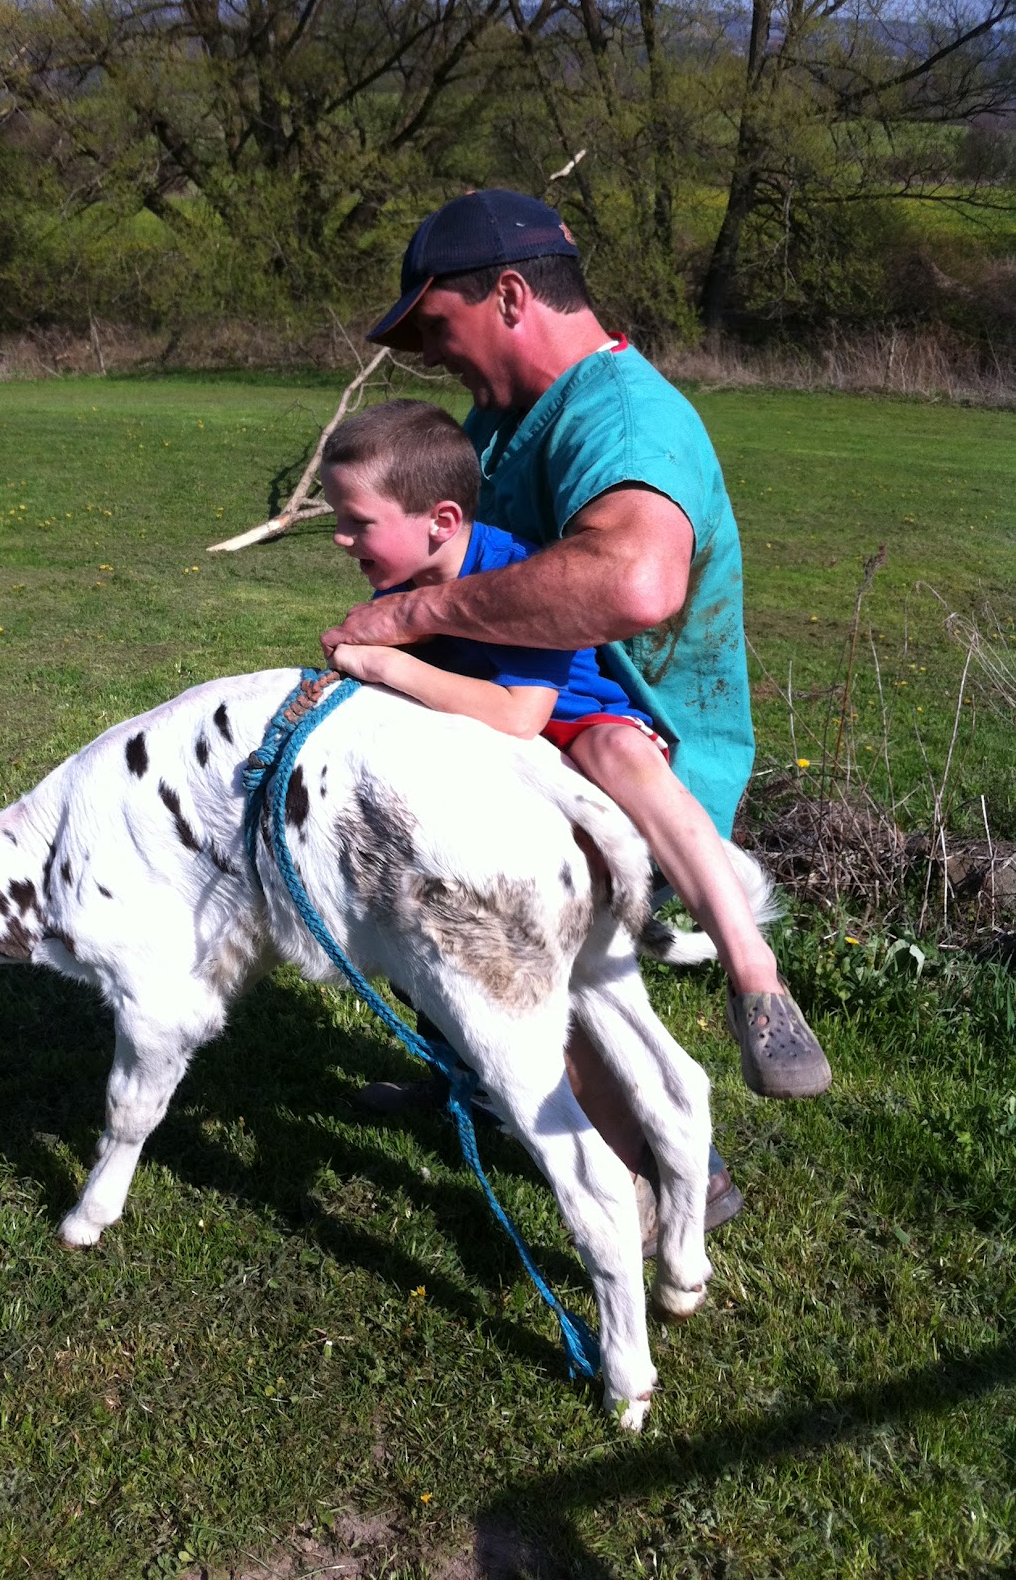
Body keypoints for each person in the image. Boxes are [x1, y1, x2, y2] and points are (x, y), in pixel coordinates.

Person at [319, 188, 830, 1213]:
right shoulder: (503, 420)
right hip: (524, 722)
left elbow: (633, 582)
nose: (432, 355)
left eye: (438, 325)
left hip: (625, 750)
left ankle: (667, 1170)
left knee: (515, 937)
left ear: (509, 296)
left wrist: (413, 619)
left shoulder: (621, 417)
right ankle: (472, 1071)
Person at [320, 397, 826, 1106]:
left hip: (574, 727)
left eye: (357, 522)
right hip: (485, 750)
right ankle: (468, 1078)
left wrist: (385, 664)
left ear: (441, 521)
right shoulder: (399, 591)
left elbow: (520, 714)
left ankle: (754, 976)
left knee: (618, 750)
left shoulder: (516, 571)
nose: (340, 538)